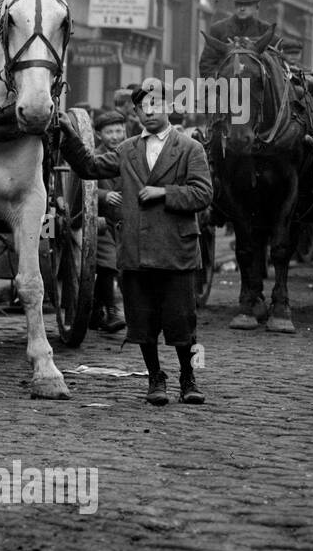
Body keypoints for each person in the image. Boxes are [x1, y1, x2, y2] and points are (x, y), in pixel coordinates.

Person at [58, 84, 213, 406]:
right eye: (144, 108)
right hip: (136, 249)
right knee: (142, 322)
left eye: (157, 105)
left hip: (175, 249)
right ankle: (155, 378)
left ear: (168, 107)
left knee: (182, 320)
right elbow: (90, 167)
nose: (151, 111)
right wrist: (66, 134)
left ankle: (188, 377)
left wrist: (165, 193)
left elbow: (203, 194)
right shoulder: (128, 149)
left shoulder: (189, 148)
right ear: (137, 114)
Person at [89, 109, 127, 334]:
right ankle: (112, 310)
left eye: (118, 131)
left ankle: (93, 309)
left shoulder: (130, 154)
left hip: (123, 219)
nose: (115, 136)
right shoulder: (93, 157)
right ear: (99, 134)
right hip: (97, 220)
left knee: (124, 263)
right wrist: (103, 195)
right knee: (109, 261)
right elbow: (80, 189)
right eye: (109, 132)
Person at [198, 0, 275, 76]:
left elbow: (273, 68)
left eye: (247, 4)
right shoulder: (218, 30)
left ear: (257, 6)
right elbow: (206, 64)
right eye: (238, 4)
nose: (242, 8)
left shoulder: (265, 31)